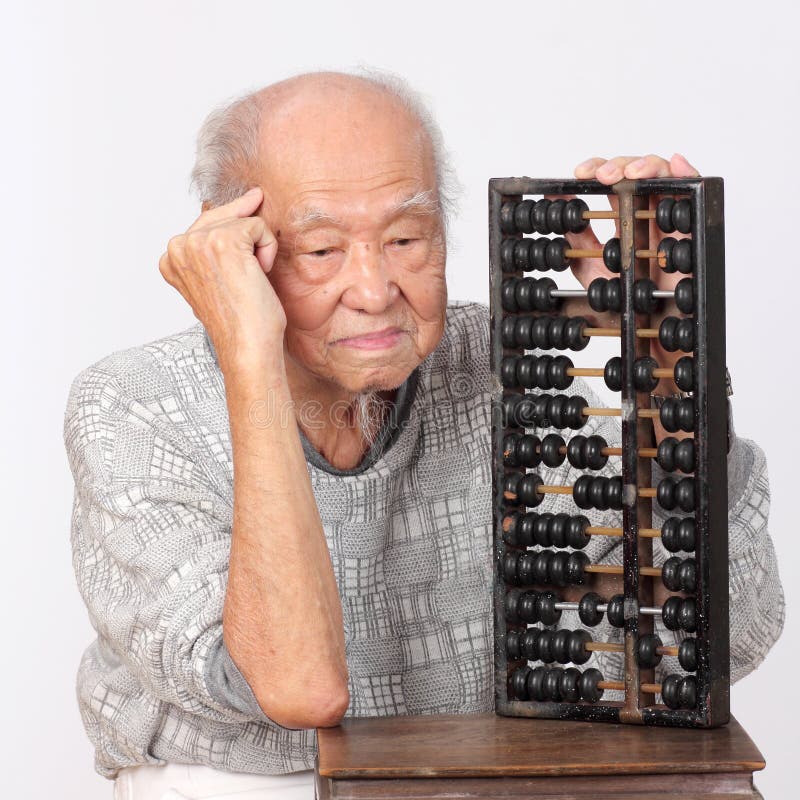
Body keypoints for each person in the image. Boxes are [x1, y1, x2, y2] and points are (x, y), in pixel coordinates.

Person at [63, 69, 784, 800]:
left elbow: (726, 637)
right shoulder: (134, 407)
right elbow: (299, 690)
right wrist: (249, 355)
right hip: (249, 780)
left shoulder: (510, 367)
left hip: (472, 768)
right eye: (321, 252)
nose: (376, 292)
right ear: (235, 254)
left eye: (407, 237)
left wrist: (675, 367)